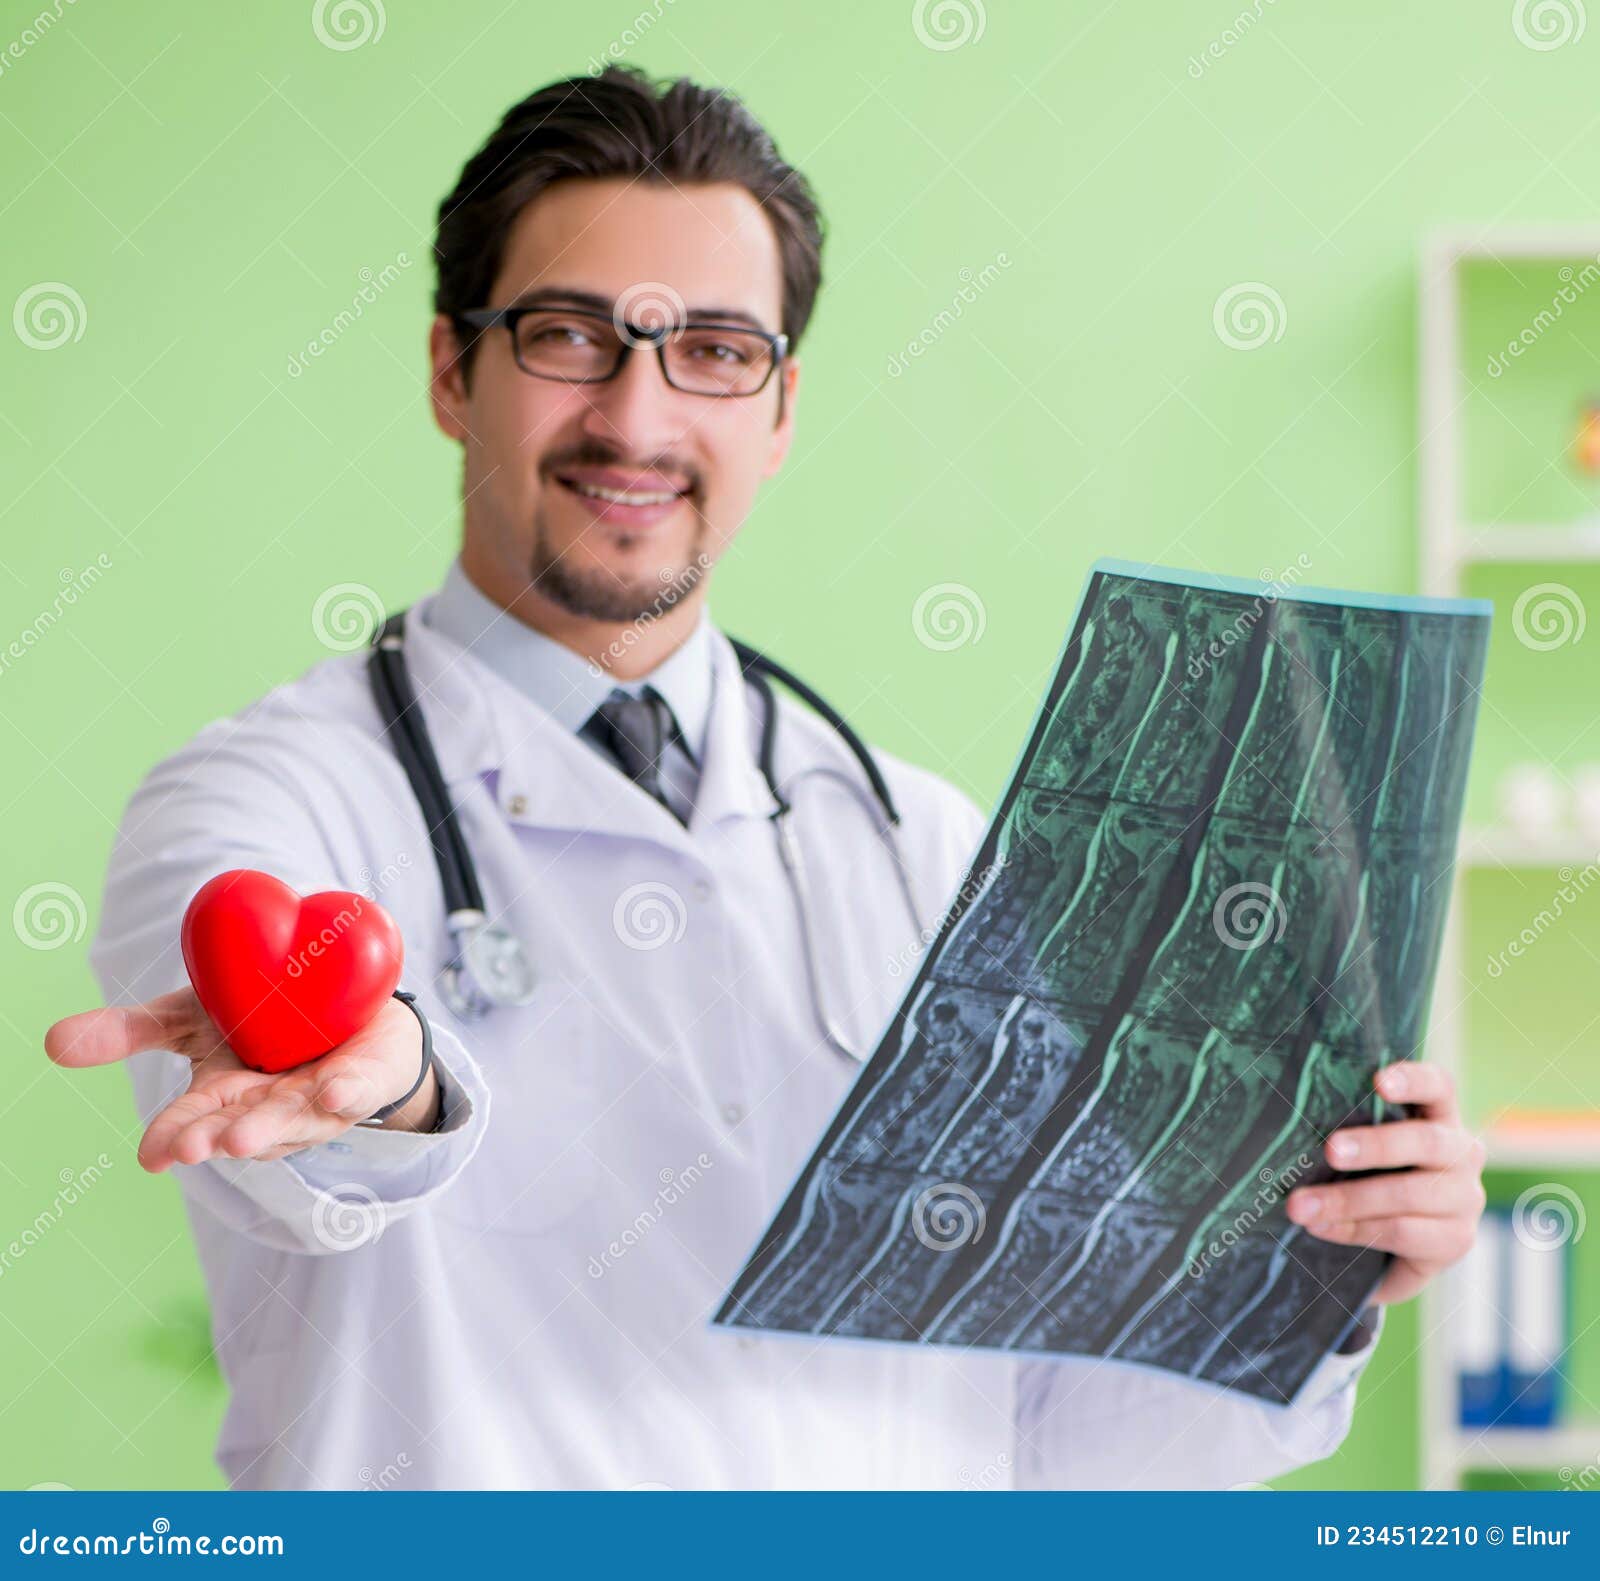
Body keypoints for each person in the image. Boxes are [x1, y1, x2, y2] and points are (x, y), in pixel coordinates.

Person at [43, 66, 1486, 1492]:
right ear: (448, 369)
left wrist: (1316, 1270)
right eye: (568, 336)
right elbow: (288, 1155)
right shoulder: (263, 802)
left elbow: (1048, 1453)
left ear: (781, 406)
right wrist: (396, 1087)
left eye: (716, 351)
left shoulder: (927, 842)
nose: (639, 418)